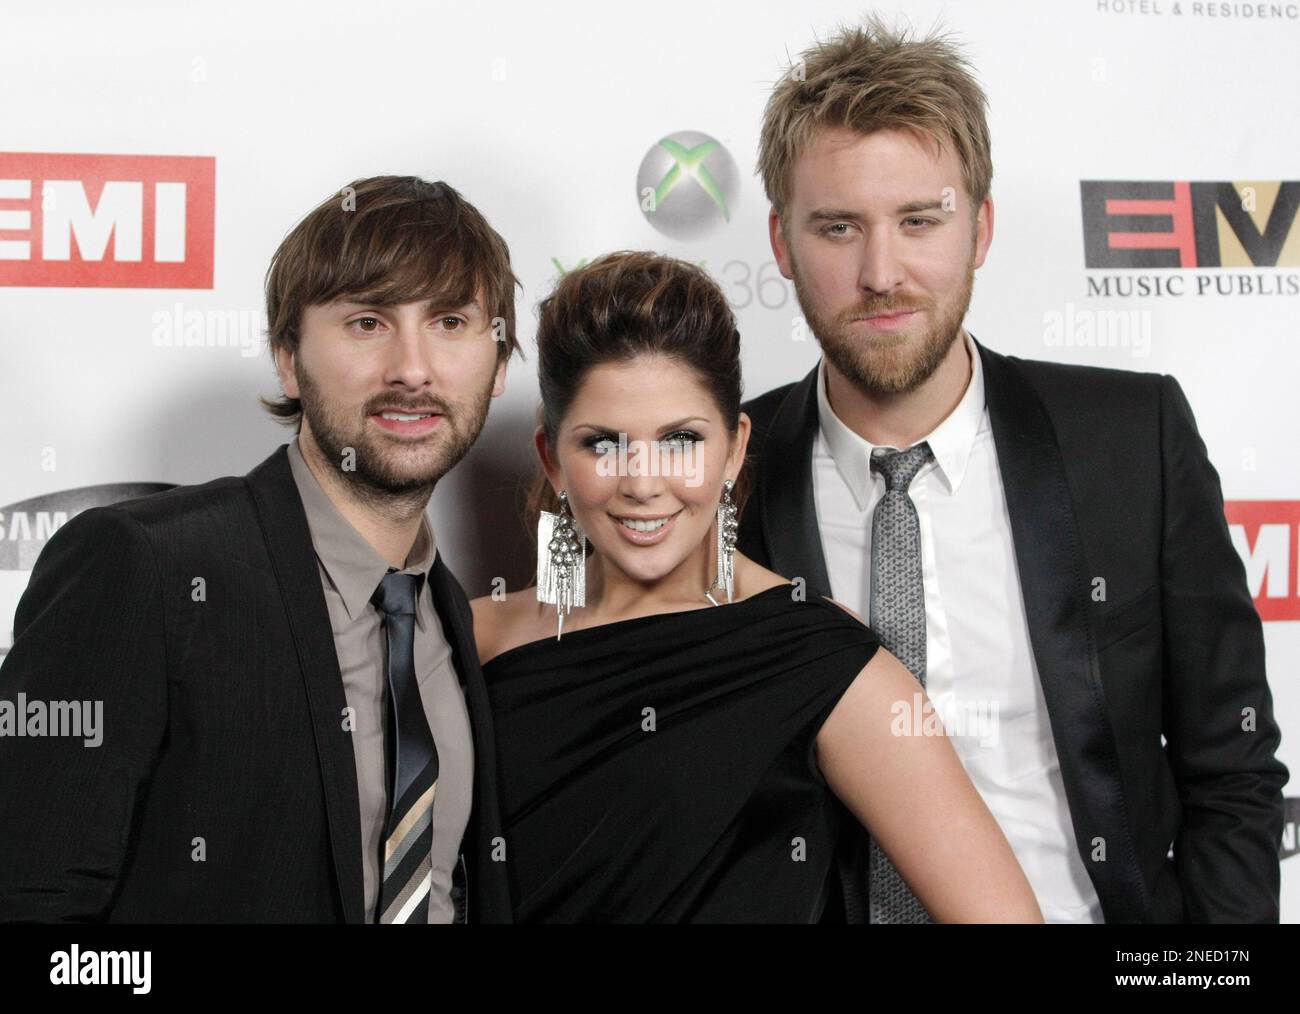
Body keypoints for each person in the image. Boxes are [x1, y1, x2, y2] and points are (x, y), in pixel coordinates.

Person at [740, 16, 1289, 923]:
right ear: (781, 243)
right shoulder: (723, 475)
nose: (881, 272)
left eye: (920, 221)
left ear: (981, 228)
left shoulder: (1131, 440)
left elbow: (1231, 771)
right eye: (838, 227)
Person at [0, 176, 518, 923]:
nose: (412, 368)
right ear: (287, 357)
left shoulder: (447, 613)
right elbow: (31, 904)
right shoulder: (146, 566)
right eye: (367, 322)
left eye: (450, 321)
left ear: (498, 364)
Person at [470, 250, 1043, 923]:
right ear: (552, 459)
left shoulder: (821, 658)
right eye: (602, 444)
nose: (643, 483)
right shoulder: (474, 636)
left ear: (735, 448)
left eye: (681, 440)